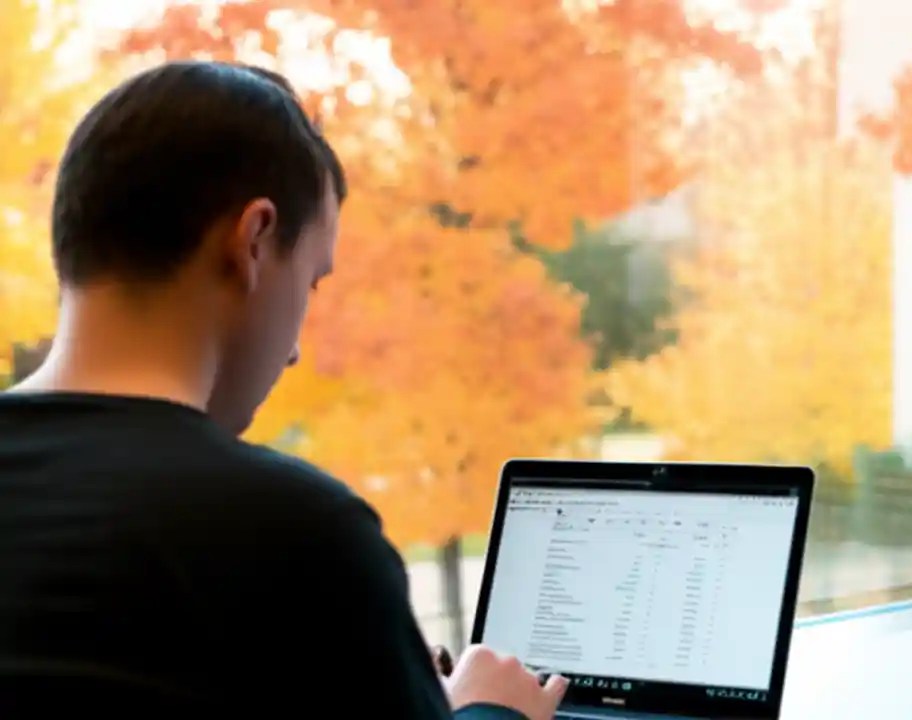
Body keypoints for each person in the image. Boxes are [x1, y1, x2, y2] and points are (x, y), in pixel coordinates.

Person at [0, 61, 566, 719]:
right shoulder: (295, 533)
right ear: (253, 241)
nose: (295, 349)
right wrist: (489, 712)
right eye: (311, 282)